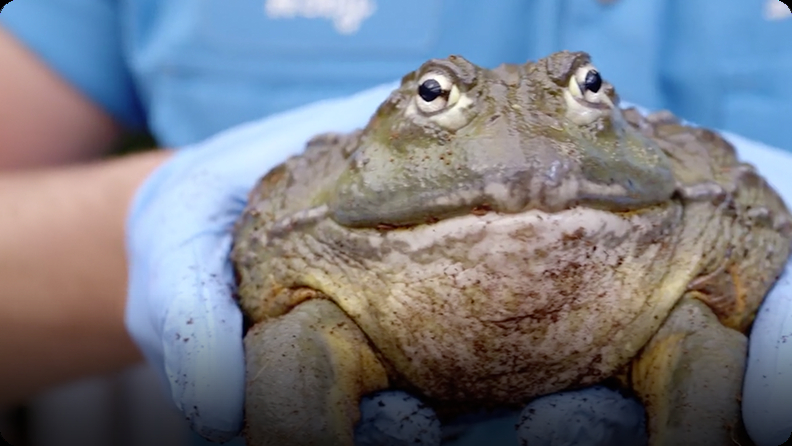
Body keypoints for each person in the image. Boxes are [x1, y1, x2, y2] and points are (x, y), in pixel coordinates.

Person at [1, 1, 791, 445]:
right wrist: (129, 233)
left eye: (591, 90)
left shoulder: (684, 266)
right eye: (433, 99)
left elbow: (705, 336)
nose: (521, 175)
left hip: (651, 284)